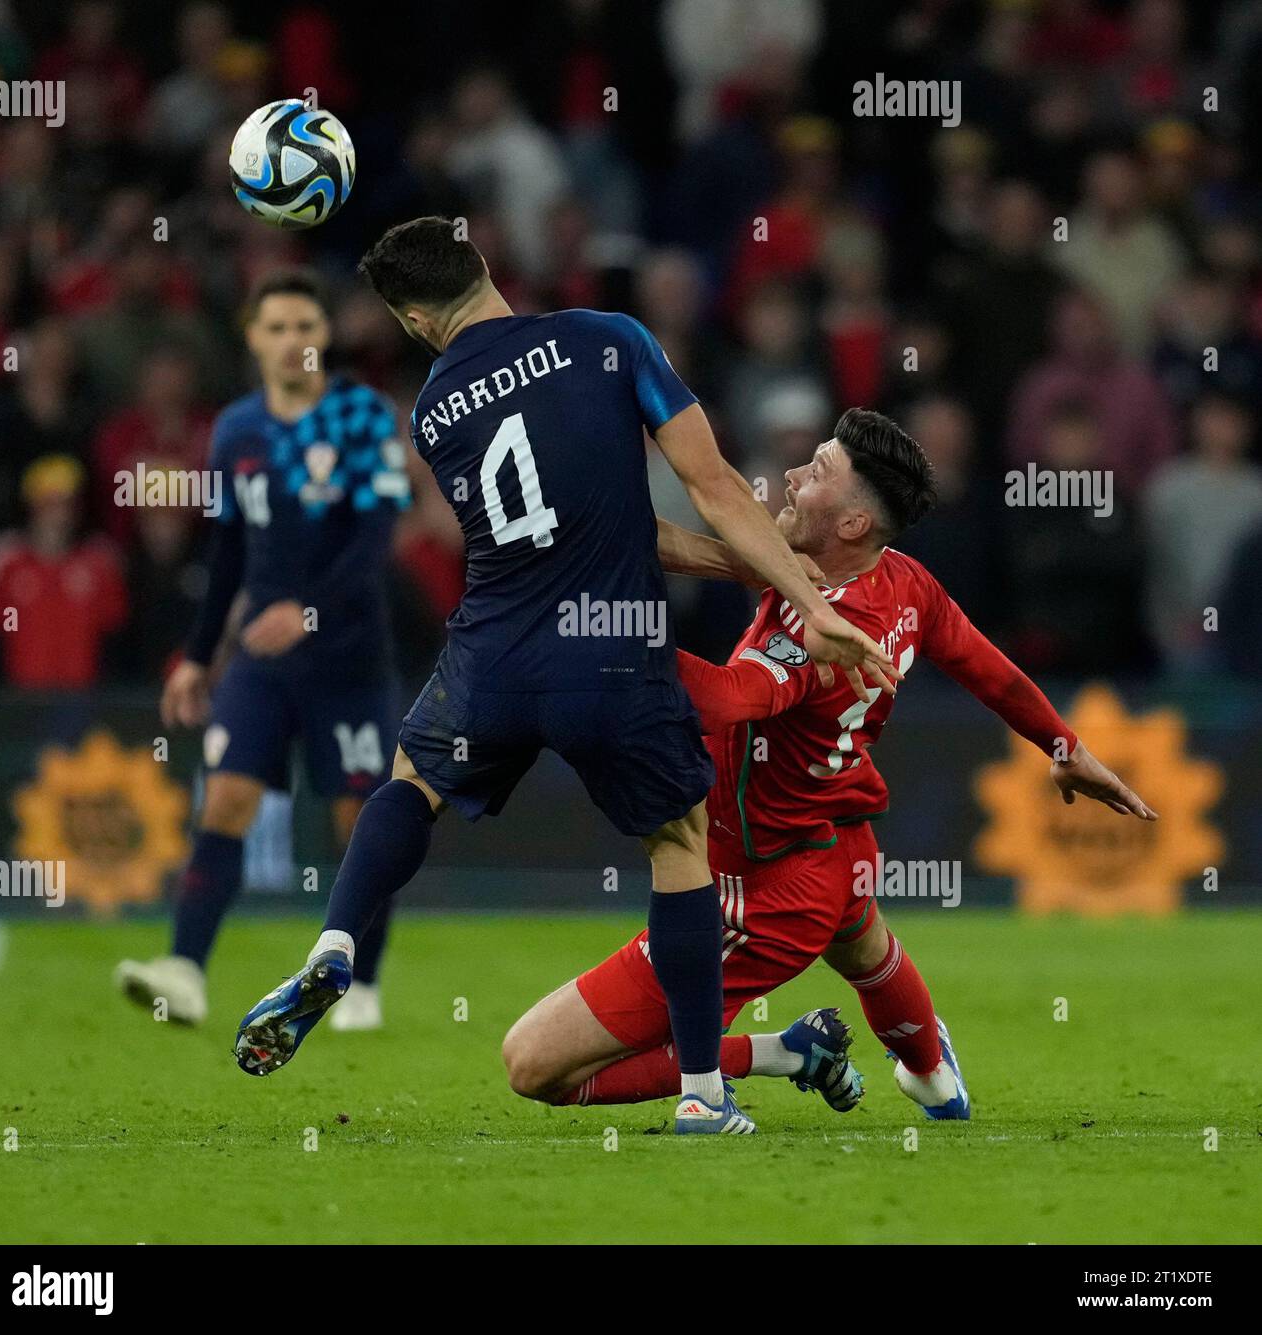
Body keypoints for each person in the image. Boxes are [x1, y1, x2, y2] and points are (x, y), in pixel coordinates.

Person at [233, 216, 897, 1138]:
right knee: (678, 842)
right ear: (485, 270)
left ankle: (336, 940)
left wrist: (741, 567)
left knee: (412, 781)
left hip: (494, 653)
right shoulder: (607, 339)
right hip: (612, 649)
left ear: (418, 321)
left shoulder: (434, 411)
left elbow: (591, 530)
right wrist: (806, 600)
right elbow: (711, 486)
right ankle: (704, 1091)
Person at [501, 409, 1156, 1121]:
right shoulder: (902, 582)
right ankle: (935, 1077)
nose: (788, 477)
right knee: (867, 949)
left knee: (535, 1064)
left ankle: (782, 1051)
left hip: (763, 887)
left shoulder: (828, 636)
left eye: (815, 473)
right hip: (835, 836)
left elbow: (730, 698)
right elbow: (987, 669)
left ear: (851, 526)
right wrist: (1065, 746)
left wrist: (599, 645)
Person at [115, 269, 411, 1029]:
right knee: (227, 799)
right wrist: (195, 653)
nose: (292, 343)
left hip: (347, 660)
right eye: (276, 328)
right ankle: (183, 970)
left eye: (305, 328)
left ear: (324, 338)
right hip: (260, 662)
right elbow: (230, 555)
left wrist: (306, 613)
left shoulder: (360, 417)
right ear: (252, 338)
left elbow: (374, 544)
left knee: (359, 820)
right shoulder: (237, 428)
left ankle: (363, 983)